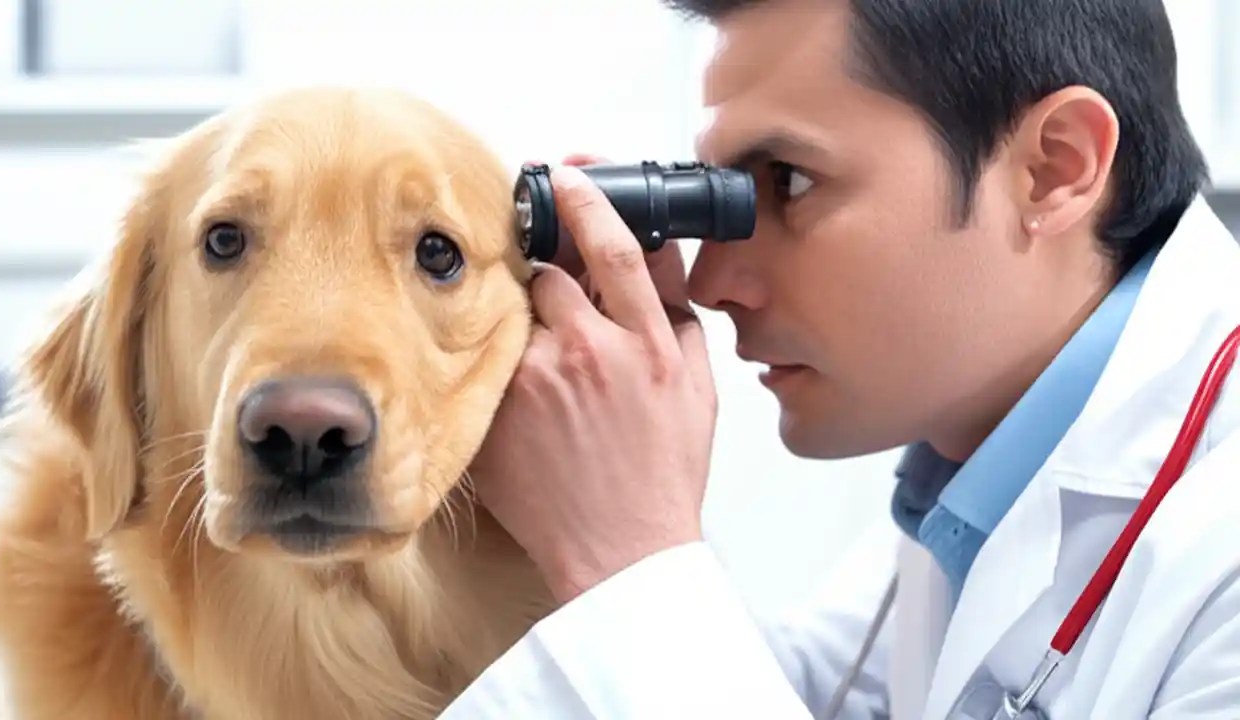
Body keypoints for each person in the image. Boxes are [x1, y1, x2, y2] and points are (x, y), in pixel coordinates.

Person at [441, 0, 1240, 717]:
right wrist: (590, 509)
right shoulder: (973, 476)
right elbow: (799, 689)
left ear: (1054, 167)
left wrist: (626, 557)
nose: (713, 284)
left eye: (787, 184)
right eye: (726, 197)